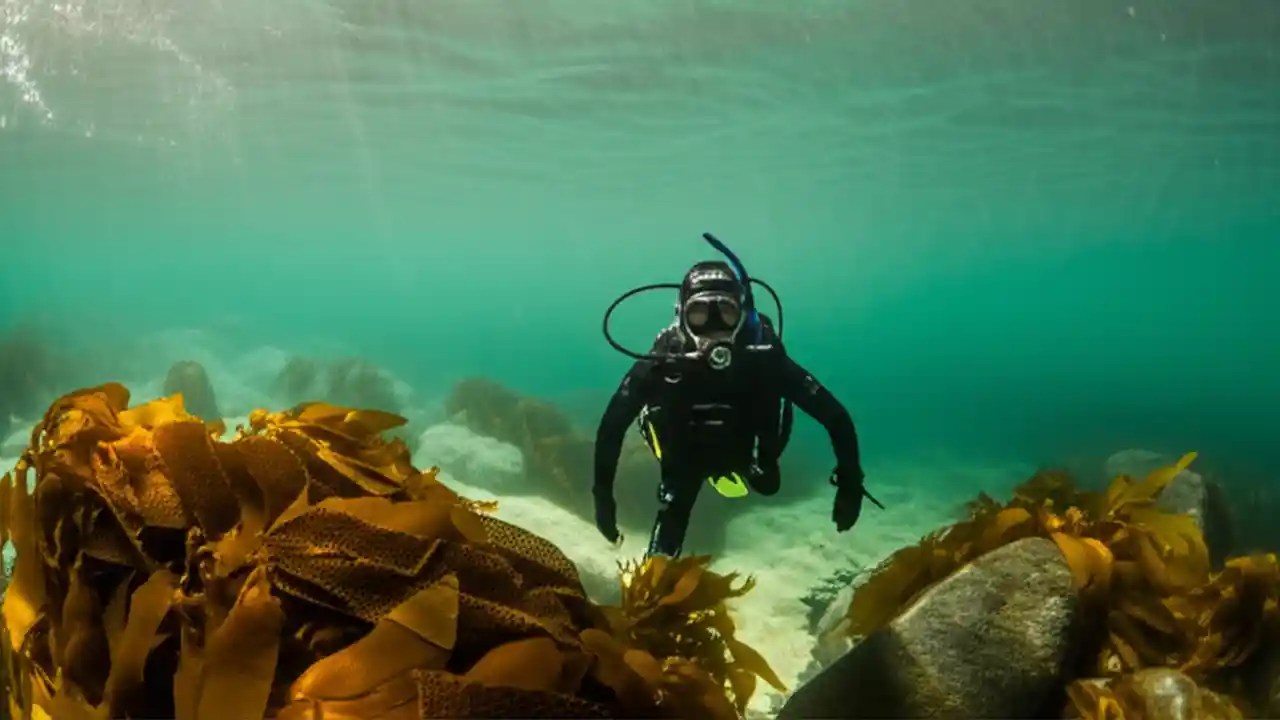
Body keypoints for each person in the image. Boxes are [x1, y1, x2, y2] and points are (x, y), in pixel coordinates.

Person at [593, 233, 878, 558]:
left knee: (768, 485)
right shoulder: (665, 360)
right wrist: (603, 498)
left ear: (743, 315)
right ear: (681, 318)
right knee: (676, 504)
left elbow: (836, 417)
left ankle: (744, 468)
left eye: (725, 313)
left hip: (746, 450)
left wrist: (850, 486)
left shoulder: (764, 358)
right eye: (699, 315)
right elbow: (612, 426)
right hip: (685, 452)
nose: (713, 329)